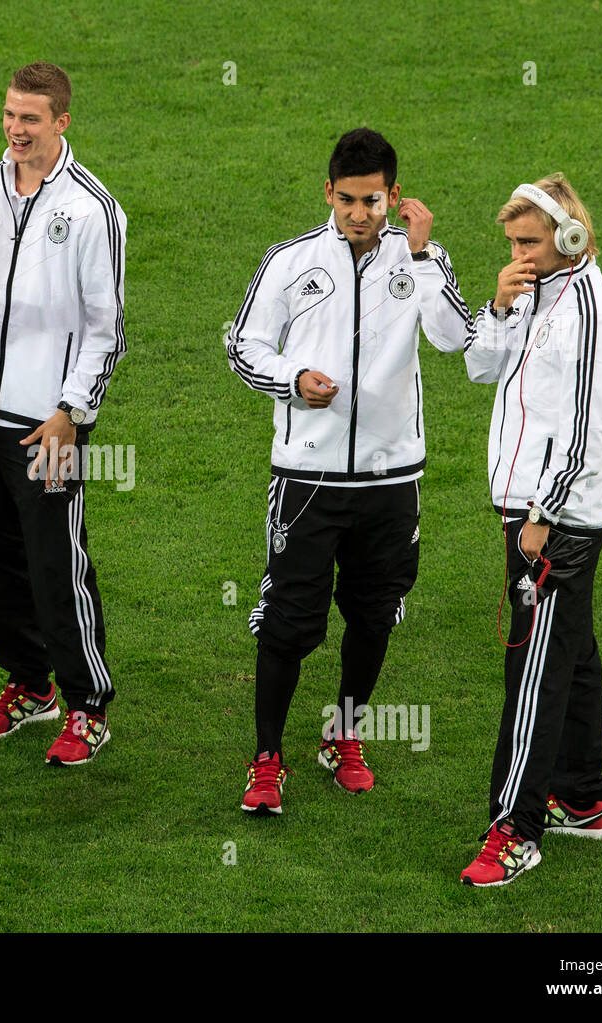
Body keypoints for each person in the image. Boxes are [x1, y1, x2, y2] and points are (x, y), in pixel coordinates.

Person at [226, 128, 471, 814]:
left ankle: (345, 735)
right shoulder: (290, 260)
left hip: (392, 482)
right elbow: (242, 345)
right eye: (346, 199)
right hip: (307, 479)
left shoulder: (421, 257)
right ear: (327, 193)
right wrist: (291, 377)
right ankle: (266, 758)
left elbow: (456, 338)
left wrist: (422, 255)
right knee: (288, 620)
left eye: (371, 200)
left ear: (394, 195)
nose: (358, 213)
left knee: (372, 615)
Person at [0, 62, 127, 766]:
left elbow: (107, 327)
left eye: (31, 119)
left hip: (48, 422)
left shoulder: (92, 209)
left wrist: (72, 411)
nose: (17, 129)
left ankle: (87, 703)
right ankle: (29, 682)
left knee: (55, 561)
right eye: (10, 116)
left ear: (62, 122)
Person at [459, 175, 602, 887]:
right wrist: (499, 306)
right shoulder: (535, 294)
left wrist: (542, 516)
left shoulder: (591, 312)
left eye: (529, 242)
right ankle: (583, 799)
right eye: (511, 244)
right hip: (529, 508)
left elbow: (585, 429)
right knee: (573, 652)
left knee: (531, 671)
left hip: (556, 519)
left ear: (570, 236)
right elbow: (477, 368)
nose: (519, 255)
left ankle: (514, 828)